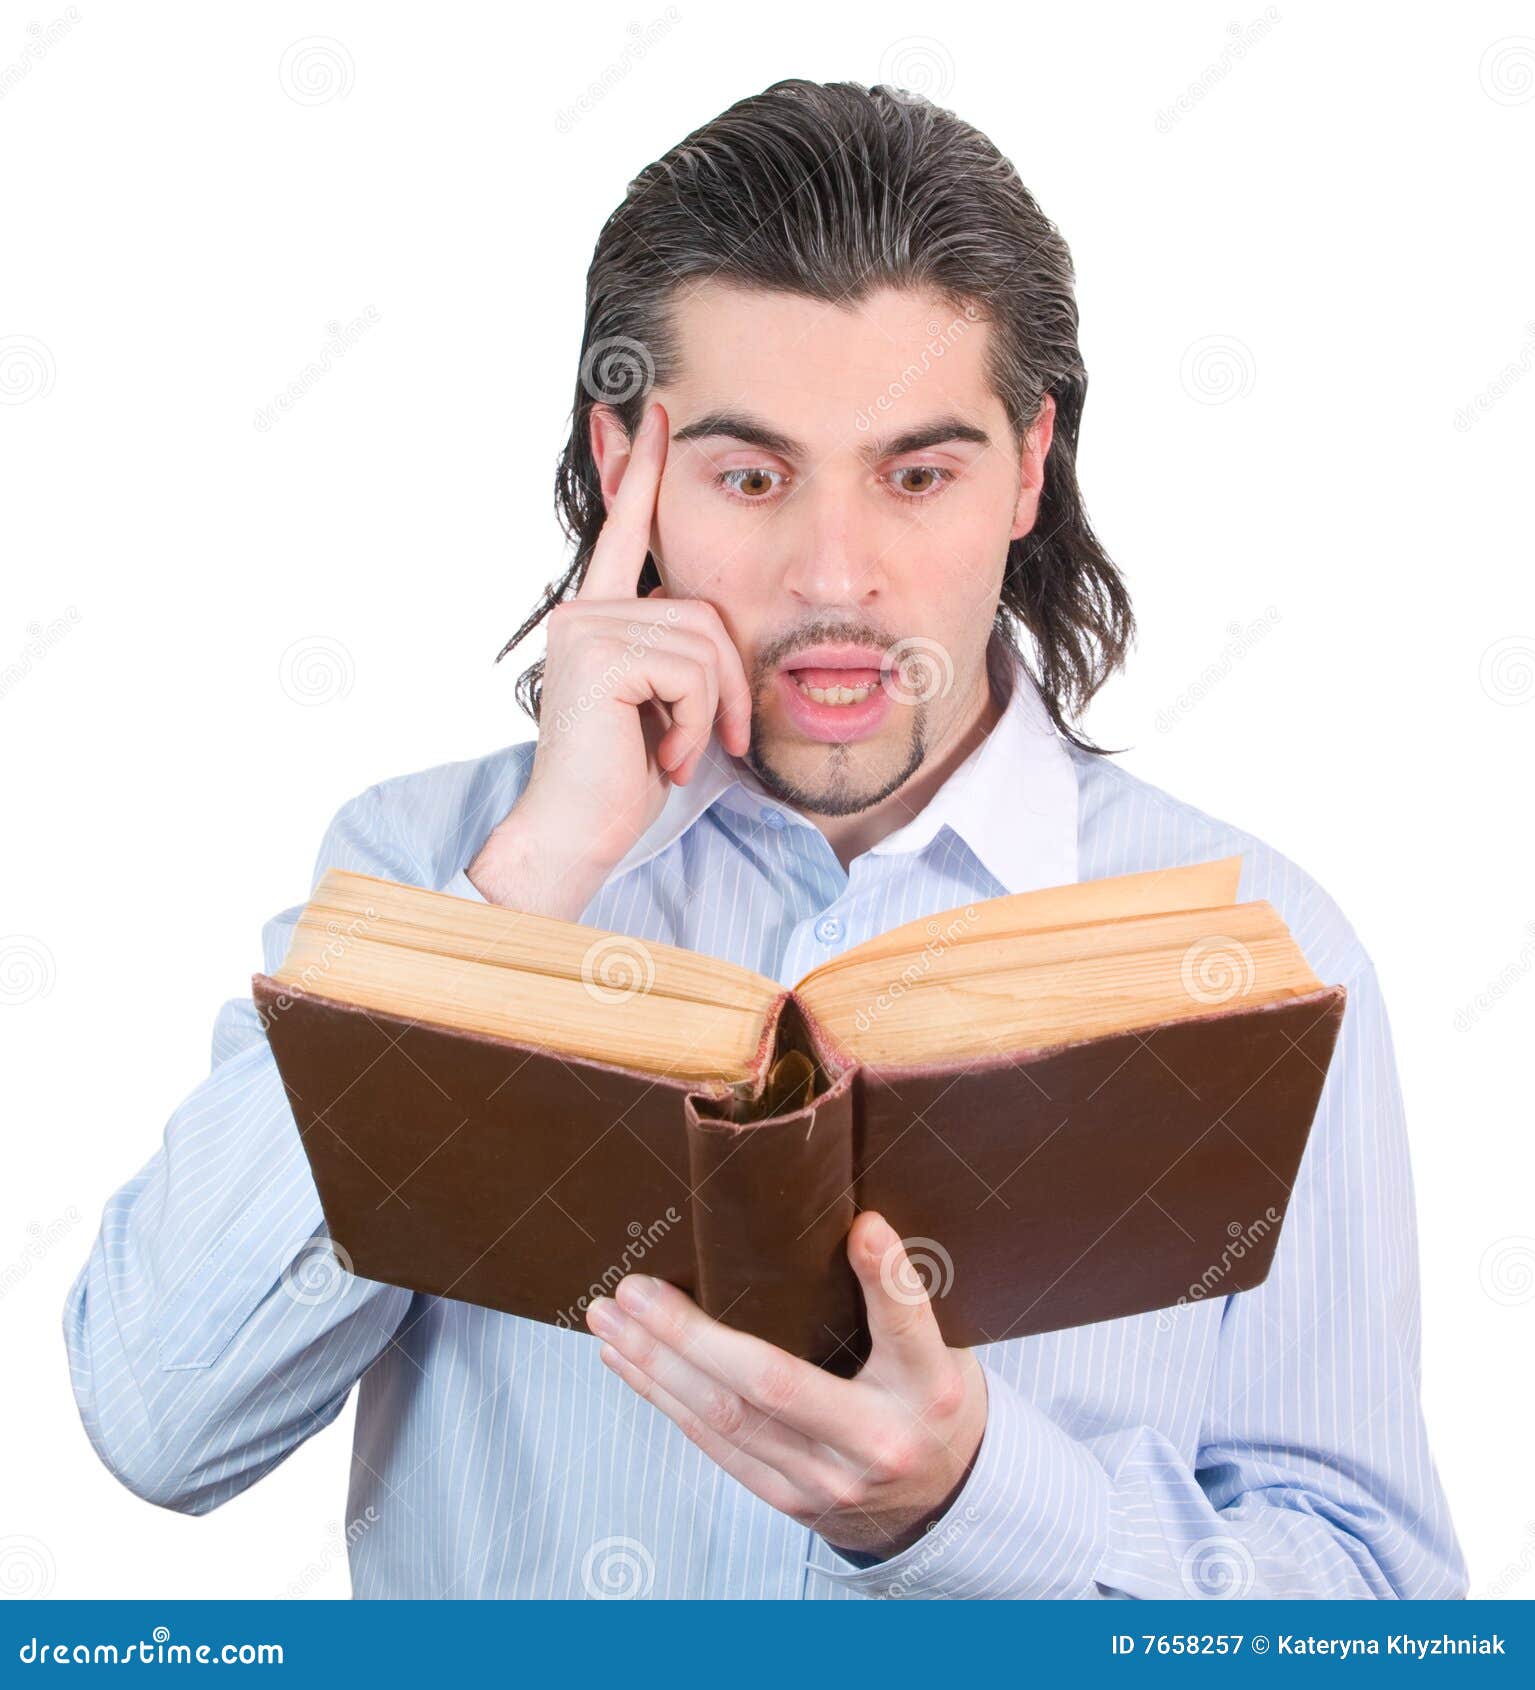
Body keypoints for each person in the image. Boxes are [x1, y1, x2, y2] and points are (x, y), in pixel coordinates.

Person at [63, 78, 1467, 1600]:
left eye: (917, 474)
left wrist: (977, 1504)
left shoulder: (1258, 945)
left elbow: (1376, 1606)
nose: (835, 575)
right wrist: (524, 888)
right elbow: (157, 1419)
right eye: (749, 475)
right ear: (626, 469)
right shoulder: (431, 867)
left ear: (1029, 467)